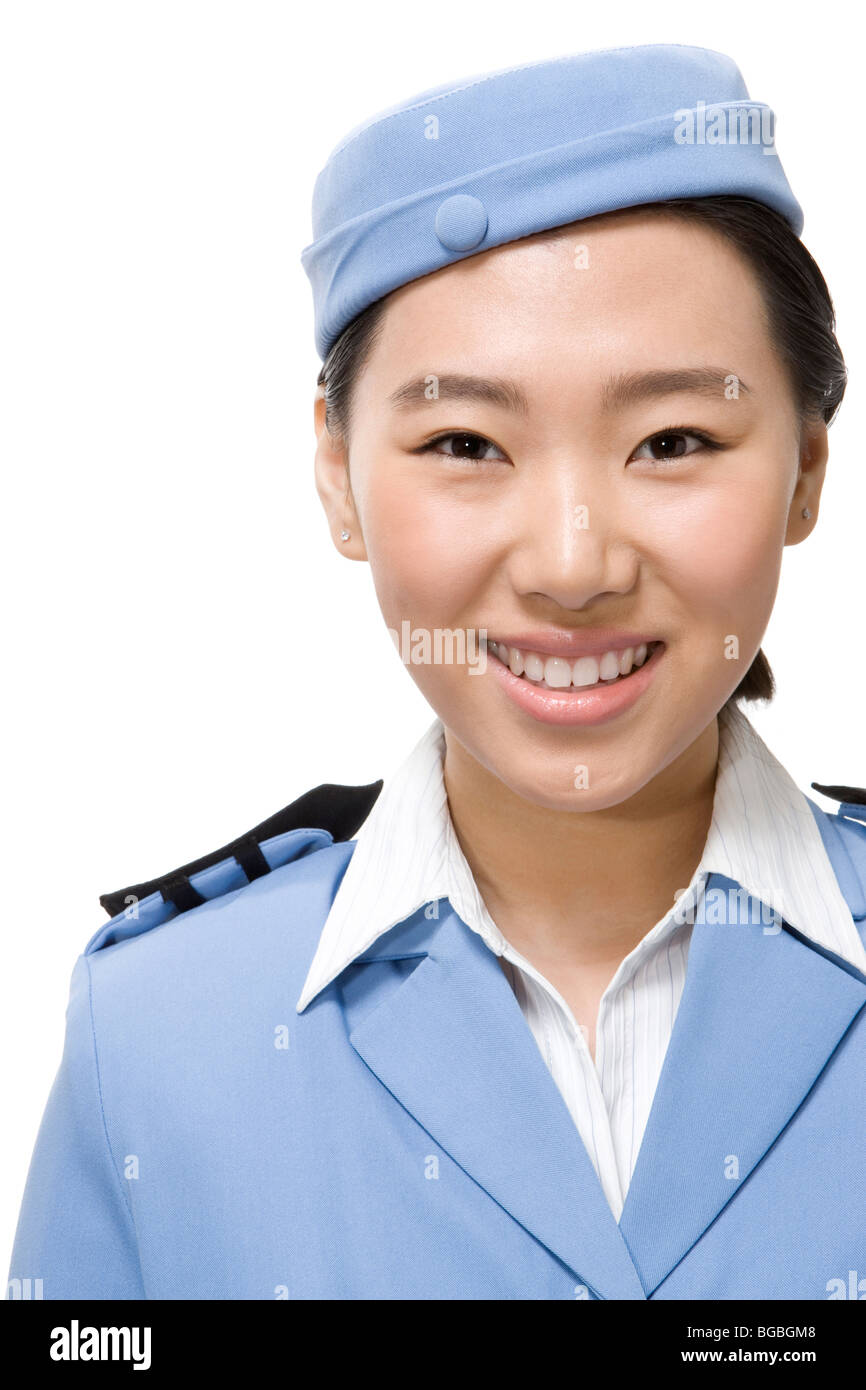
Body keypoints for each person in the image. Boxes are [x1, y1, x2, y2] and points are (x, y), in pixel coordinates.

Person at [8, 42, 866, 1302]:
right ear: (335, 474)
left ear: (801, 468)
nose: (573, 566)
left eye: (670, 439)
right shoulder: (152, 1037)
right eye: (464, 441)